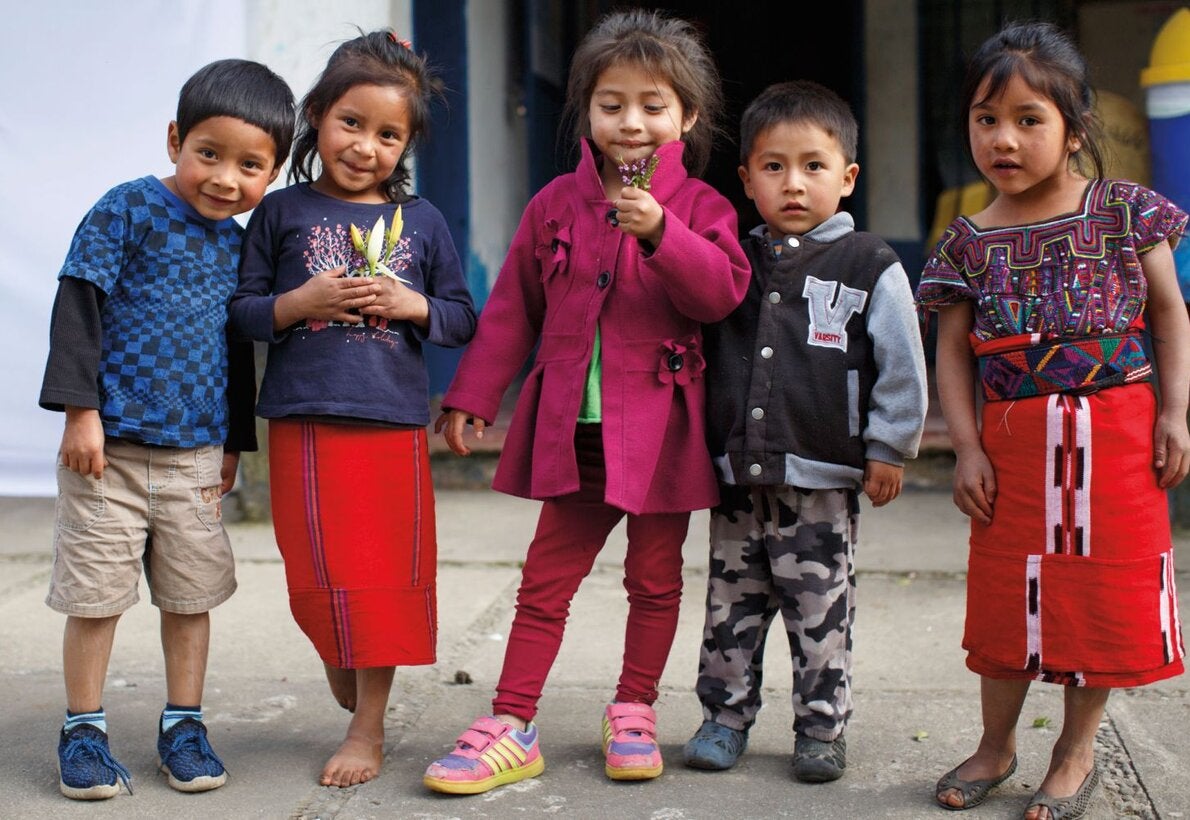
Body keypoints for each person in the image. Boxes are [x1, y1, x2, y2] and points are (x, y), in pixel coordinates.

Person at [422, 9, 750, 796]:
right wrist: (473, 393)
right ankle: (513, 720)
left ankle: (634, 708)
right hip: (575, 433)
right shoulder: (553, 206)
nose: (631, 123)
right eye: (612, 104)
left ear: (687, 118)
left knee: (655, 579)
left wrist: (663, 233)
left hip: (665, 432)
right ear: (587, 112)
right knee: (545, 580)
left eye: (652, 105)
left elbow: (721, 294)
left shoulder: (703, 207)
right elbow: (511, 310)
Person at [918, 22, 1189, 820]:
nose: (1004, 138)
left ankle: (1075, 754)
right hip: (1013, 454)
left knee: (1104, 596)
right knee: (1008, 595)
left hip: (1121, 441)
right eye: (985, 117)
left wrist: (1177, 411)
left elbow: (1171, 317)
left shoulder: (1126, 213)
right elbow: (954, 355)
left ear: (1076, 129)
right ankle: (996, 746)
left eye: (1029, 118)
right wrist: (964, 447)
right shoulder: (966, 242)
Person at [38, 59, 294, 800]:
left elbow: (239, 348)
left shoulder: (239, 245)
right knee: (95, 596)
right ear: (176, 138)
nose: (224, 178)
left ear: (270, 173)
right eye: (208, 154)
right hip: (107, 453)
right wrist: (79, 411)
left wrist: (236, 447)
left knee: (190, 596)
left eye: (249, 165)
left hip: (194, 458)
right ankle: (82, 731)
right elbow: (79, 304)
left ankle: (184, 725)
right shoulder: (128, 210)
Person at [229, 30, 476, 789]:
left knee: (383, 582)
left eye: (388, 134)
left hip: (391, 423)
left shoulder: (424, 222)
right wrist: (299, 303)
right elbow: (241, 312)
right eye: (351, 123)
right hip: (302, 417)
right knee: (314, 577)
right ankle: (340, 651)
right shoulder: (280, 213)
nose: (366, 145)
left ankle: (367, 726)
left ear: (405, 146)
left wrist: (410, 303)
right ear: (316, 116)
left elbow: (462, 317)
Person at [679, 80, 928, 784]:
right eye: (774, 166)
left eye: (814, 166)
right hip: (737, 476)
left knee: (820, 611)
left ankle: (822, 730)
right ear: (747, 179)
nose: (794, 183)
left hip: (821, 479)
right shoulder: (729, 258)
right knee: (730, 606)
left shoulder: (869, 264)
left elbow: (901, 363)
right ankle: (723, 719)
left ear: (847, 177)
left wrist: (888, 447)